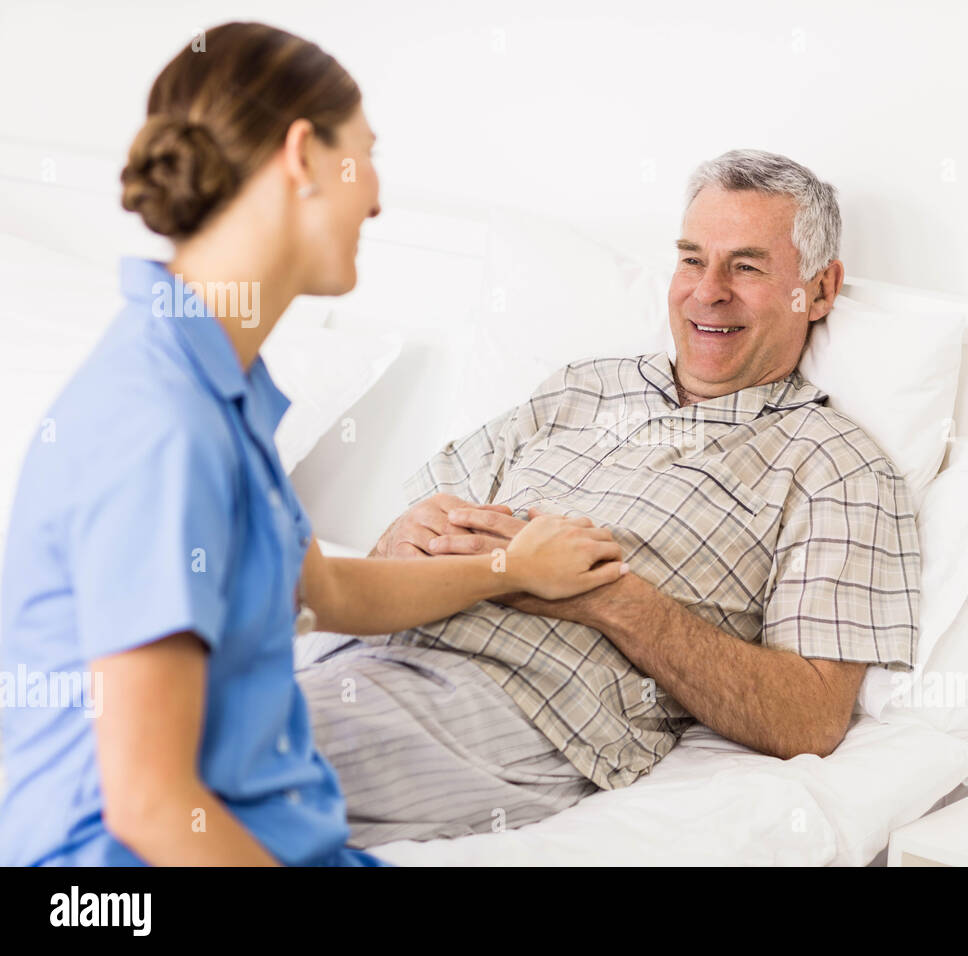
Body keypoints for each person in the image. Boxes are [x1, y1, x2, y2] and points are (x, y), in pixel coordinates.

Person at [0, 21, 625, 867]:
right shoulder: (160, 423)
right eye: (365, 156)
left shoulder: (215, 388)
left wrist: (506, 571)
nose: (375, 198)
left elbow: (321, 589)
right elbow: (149, 805)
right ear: (303, 157)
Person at [295, 149, 921, 847]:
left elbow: (810, 718)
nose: (707, 291)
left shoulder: (835, 465)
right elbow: (394, 549)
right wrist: (403, 538)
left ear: (821, 287)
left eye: (745, 267)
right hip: (359, 651)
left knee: (201, 757)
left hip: (516, 705)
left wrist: (602, 596)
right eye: (691, 259)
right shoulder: (582, 386)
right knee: (167, 703)